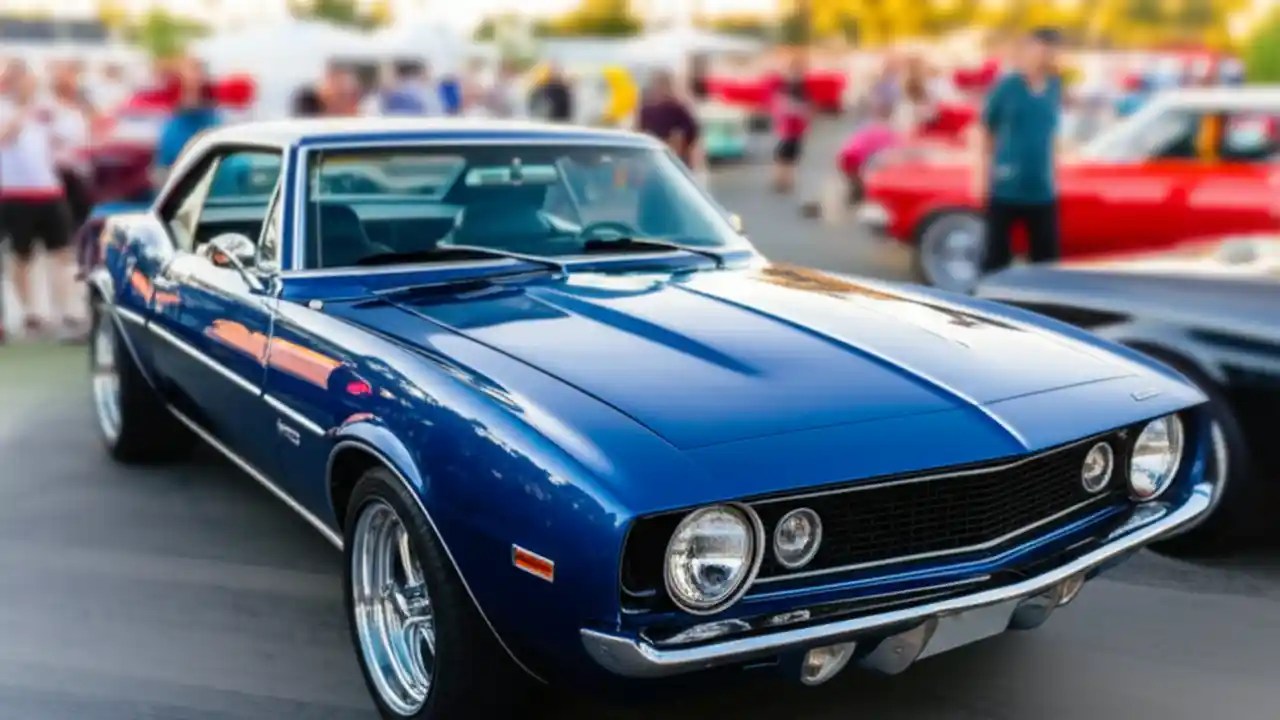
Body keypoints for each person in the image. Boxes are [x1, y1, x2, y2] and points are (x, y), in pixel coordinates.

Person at [975, 27, 1064, 275]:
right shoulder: (1007, 87)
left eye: (1050, 51)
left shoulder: (1055, 87)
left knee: (1046, 263)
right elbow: (984, 129)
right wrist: (981, 176)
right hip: (1006, 188)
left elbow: (1052, 133)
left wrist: (1057, 171)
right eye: (1039, 50)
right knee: (995, 259)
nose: (1043, 57)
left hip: (1042, 191)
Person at [0, 63, 79, 338]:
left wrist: (55, 120)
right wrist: (23, 114)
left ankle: (67, 312)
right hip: (15, 193)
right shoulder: (5, 109)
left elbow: (68, 136)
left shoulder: (47, 111)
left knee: (62, 253)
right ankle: (30, 312)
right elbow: (4, 137)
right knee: (21, 255)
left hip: (49, 191)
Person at [152, 58, 220, 187]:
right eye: (186, 90)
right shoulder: (171, 127)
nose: (190, 98)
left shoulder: (215, 121)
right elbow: (162, 170)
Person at [637, 71, 700, 170]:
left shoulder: (678, 109)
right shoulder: (646, 110)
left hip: (673, 160)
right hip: (654, 159)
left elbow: (690, 133)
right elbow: (640, 132)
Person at [772, 57, 810, 194]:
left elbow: (805, 108)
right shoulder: (787, 87)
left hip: (795, 129)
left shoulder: (801, 88)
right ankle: (782, 180)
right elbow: (780, 104)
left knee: (790, 156)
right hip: (787, 128)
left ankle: (786, 181)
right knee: (782, 155)